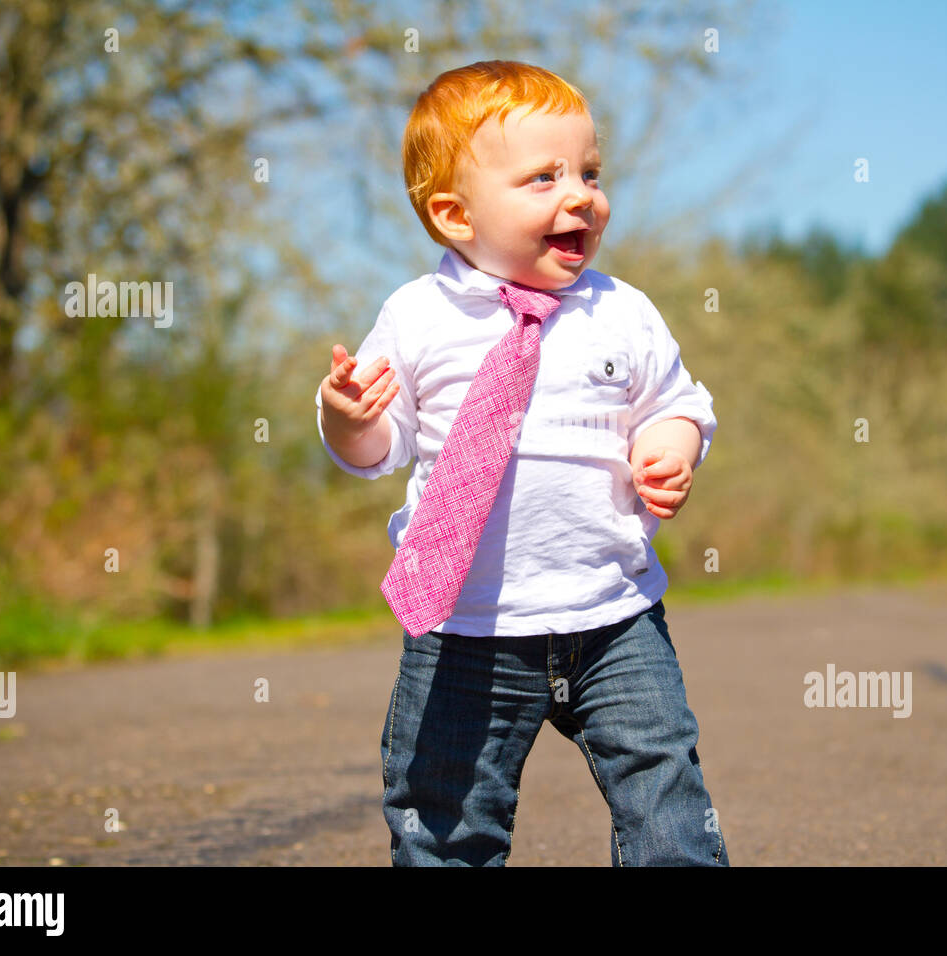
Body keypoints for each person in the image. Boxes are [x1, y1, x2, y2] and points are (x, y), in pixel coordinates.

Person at [315, 60, 727, 866]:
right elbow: (377, 448)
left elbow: (681, 402)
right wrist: (346, 417)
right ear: (454, 214)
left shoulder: (621, 311)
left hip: (613, 615)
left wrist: (668, 447)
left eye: (589, 172)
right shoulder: (417, 317)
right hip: (465, 626)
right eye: (543, 178)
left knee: (664, 784)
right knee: (445, 813)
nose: (580, 194)